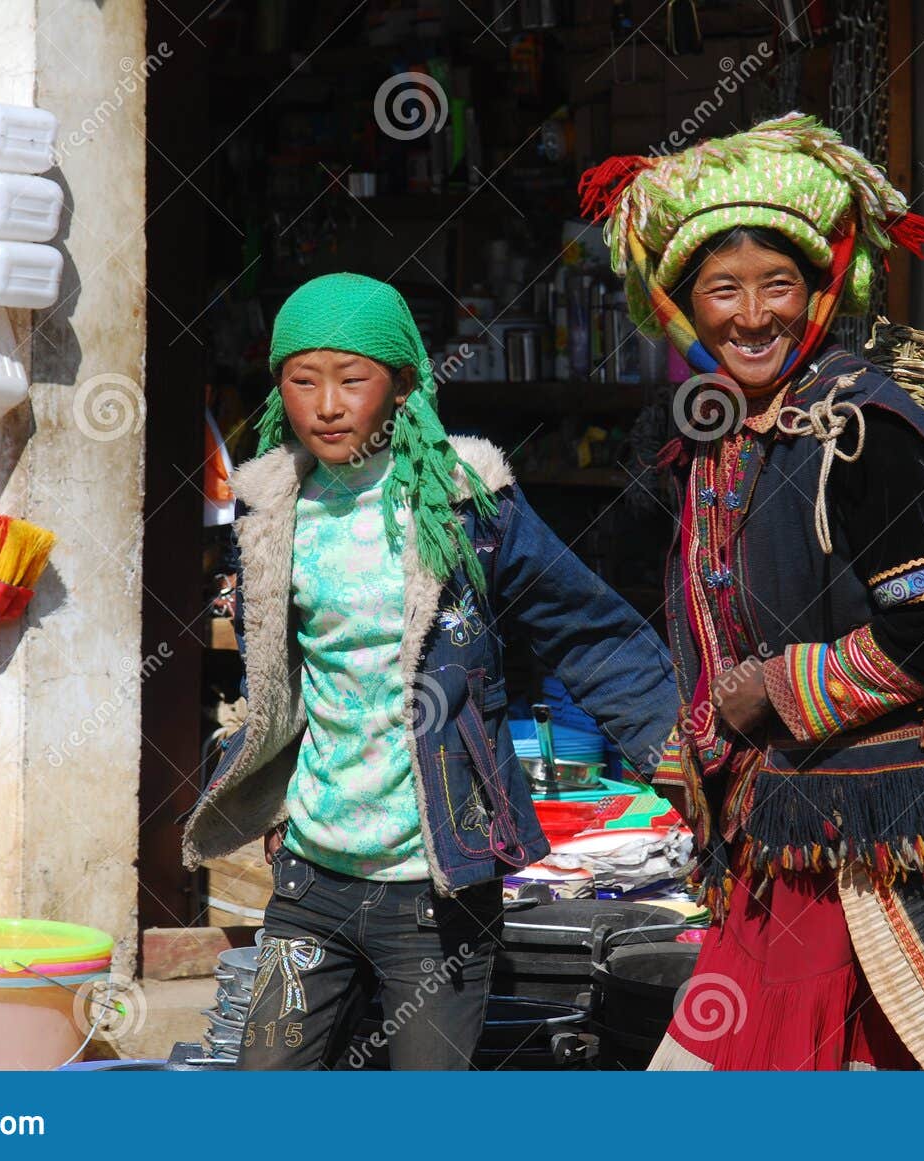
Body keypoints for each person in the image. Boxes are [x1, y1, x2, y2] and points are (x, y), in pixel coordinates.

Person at [581, 113, 924, 1070]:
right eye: (724, 289)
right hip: (783, 834)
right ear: (681, 307)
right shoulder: (709, 435)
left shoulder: (868, 429)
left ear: (822, 292)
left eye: (779, 286)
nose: (754, 316)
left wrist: (770, 688)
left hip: (891, 836)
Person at [182, 272, 680, 1070]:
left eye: (352, 379)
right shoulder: (274, 513)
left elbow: (590, 633)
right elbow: (280, 681)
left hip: (437, 886)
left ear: (405, 383)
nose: (327, 405)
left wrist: (685, 751)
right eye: (302, 381)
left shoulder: (470, 506)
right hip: (312, 879)